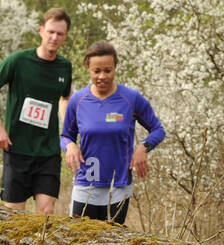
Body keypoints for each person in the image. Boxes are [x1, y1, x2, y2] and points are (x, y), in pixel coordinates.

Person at [0, 7, 72, 213]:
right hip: (17, 149)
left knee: (46, 214)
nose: (54, 37)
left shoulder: (65, 67)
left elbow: (64, 98)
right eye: (51, 32)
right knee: (13, 215)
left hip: (48, 152)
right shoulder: (19, 60)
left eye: (60, 34)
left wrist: (68, 126)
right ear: (41, 31)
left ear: (65, 36)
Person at [60, 41, 164, 225]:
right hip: (86, 184)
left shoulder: (131, 98)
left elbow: (158, 130)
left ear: (115, 67)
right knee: (79, 243)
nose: (102, 76)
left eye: (108, 71)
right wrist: (70, 145)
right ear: (88, 68)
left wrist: (143, 147)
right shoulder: (78, 100)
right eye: (96, 71)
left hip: (118, 186)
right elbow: (65, 136)